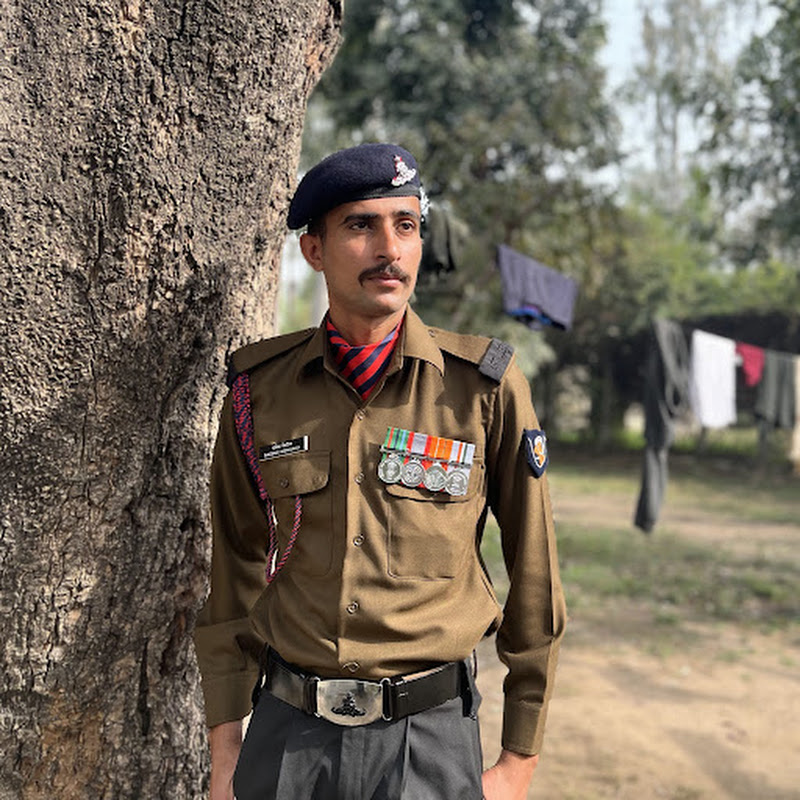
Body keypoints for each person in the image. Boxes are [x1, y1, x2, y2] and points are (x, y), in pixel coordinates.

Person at [193, 143, 566, 800]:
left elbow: (534, 579)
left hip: (429, 740)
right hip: (288, 737)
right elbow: (233, 577)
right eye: (361, 225)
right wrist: (226, 753)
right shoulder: (258, 393)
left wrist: (519, 759)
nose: (389, 249)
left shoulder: (483, 389)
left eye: (406, 225)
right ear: (314, 250)